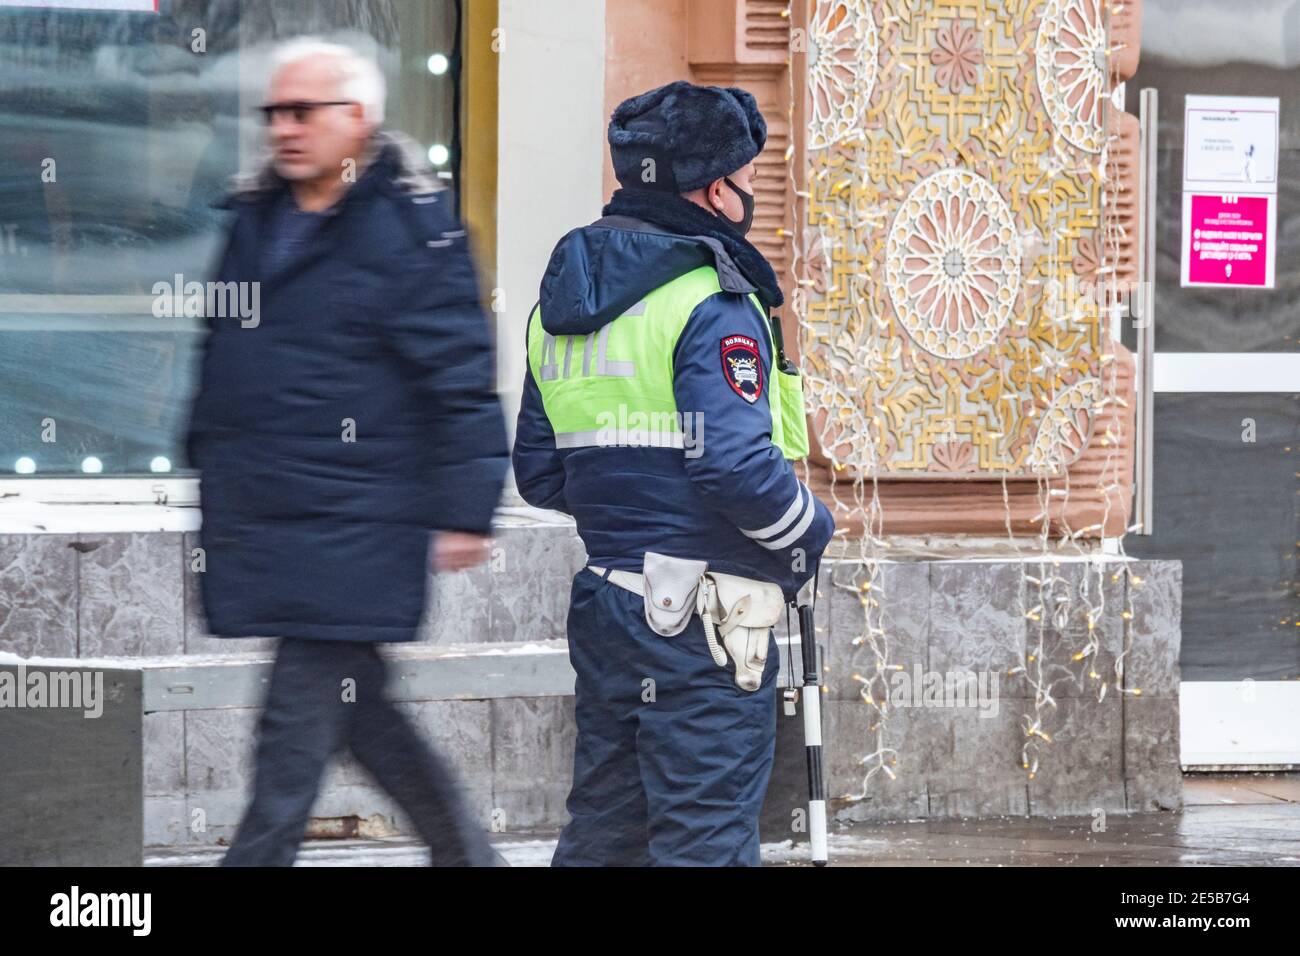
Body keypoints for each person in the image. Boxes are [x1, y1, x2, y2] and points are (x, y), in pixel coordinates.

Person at [185, 38, 507, 866]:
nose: (284, 129)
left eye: (303, 112)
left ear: (358, 119)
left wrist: (467, 506)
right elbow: (222, 347)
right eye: (274, 113)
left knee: (290, 733)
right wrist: (206, 455)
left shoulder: (414, 228)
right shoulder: (255, 216)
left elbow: (461, 378)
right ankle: (470, 857)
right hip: (270, 509)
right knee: (362, 712)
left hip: (360, 514)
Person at [512, 80, 835, 866]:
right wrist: (811, 530)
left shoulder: (563, 305)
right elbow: (737, 468)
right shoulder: (712, 299)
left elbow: (537, 473)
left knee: (605, 835)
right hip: (705, 626)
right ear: (715, 189)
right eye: (749, 180)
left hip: (609, 607)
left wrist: (628, 513)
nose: (752, 195)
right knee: (705, 841)